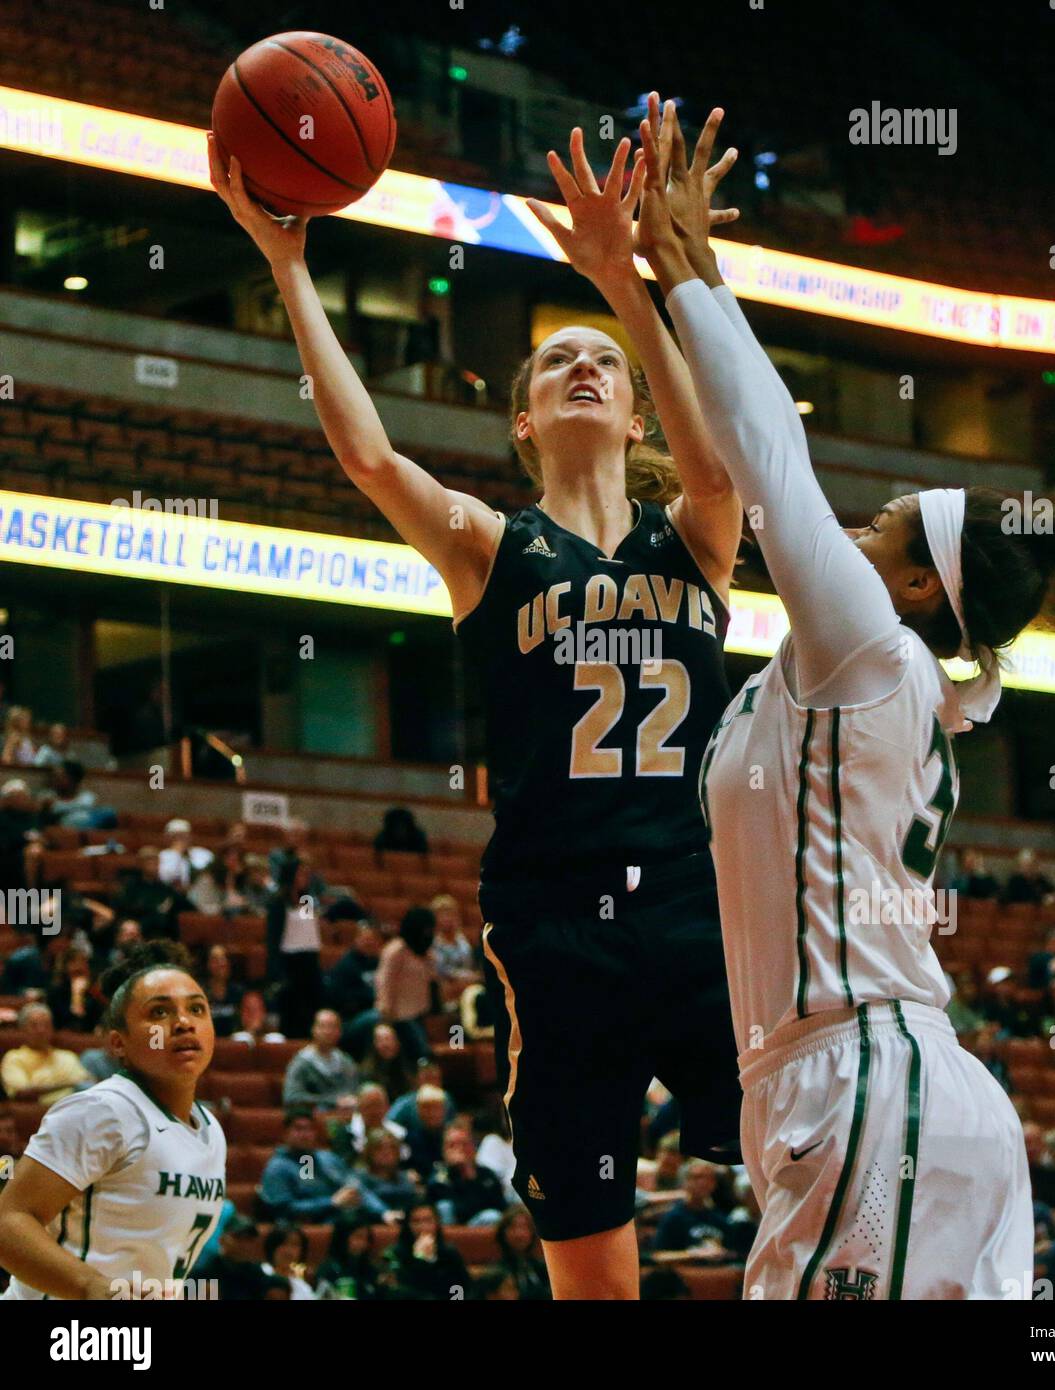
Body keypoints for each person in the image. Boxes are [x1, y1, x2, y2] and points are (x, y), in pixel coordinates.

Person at [207, 108, 745, 1301]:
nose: (586, 365)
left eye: (602, 355)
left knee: (816, 1189)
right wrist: (290, 263)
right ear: (523, 420)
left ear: (638, 407)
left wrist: (627, 284)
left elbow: (718, 469)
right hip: (555, 926)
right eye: (558, 360)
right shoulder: (493, 549)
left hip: (706, 917)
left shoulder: (697, 534)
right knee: (593, 1273)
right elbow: (368, 457)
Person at [635, 94, 1055, 1300]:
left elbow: (768, 456)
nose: (852, 526)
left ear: (920, 590)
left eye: (880, 527)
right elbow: (728, 471)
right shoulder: (825, 681)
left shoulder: (874, 654)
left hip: (865, 1079)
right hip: (862, 1083)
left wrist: (688, 269)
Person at [0, 941, 226, 1299]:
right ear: (119, 1043)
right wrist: (94, 1288)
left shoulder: (212, 1131)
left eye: (197, 1009)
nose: (184, 1023)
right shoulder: (103, 1111)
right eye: (159, 1014)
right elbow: (7, 1223)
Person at [258, 1110, 389, 1226]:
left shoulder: (328, 1158)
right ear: (285, 1133)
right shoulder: (277, 1168)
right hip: (303, 1226)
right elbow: (283, 1209)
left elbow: (356, 1187)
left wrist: (383, 1212)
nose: (305, 1135)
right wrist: (331, 1203)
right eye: (299, 1129)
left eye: (309, 1129)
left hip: (340, 1221)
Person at [267, 853, 324, 1038]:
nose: (305, 877)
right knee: (293, 1013)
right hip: (289, 963)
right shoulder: (278, 902)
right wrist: (277, 971)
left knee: (310, 1012)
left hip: (309, 961)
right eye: (301, 874)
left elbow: (308, 930)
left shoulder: (306, 900)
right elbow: (274, 938)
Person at [375, 907, 435, 1065]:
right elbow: (384, 981)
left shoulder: (426, 953)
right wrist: (385, 1012)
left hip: (420, 1013)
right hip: (398, 1015)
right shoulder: (396, 951)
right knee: (422, 1054)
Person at [0, 1002, 90, 1106]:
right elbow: (23, 1093)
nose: (41, 1030)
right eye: (34, 1026)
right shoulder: (13, 1058)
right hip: (37, 1115)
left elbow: (85, 1085)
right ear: (22, 1030)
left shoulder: (68, 1056)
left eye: (46, 1025)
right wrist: (68, 1084)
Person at [379, 1202, 471, 1301]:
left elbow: (461, 1286)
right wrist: (420, 1258)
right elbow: (402, 1290)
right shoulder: (394, 1253)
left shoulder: (449, 1252)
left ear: (437, 1223)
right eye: (416, 1221)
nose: (423, 1226)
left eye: (428, 1220)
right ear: (407, 1225)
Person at [427, 1125, 509, 1227]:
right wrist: (461, 1174)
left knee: (493, 1216)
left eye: (464, 1144)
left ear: (474, 1147)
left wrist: (470, 1175)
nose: (460, 1149)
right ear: (444, 1151)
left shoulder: (487, 1174)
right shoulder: (440, 1175)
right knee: (444, 1207)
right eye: (452, 1145)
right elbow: (457, 1209)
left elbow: (501, 1207)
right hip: (453, 1228)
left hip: (483, 1226)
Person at [282, 1009, 359, 1111]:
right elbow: (292, 1097)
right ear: (313, 1030)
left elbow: (354, 1091)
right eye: (322, 1027)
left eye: (332, 1027)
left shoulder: (346, 1062)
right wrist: (333, 1102)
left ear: (339, 1032)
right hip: (314, 1117)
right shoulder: (301, 1063)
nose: (327, 1032)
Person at [488, 1206, 551, 1300]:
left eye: (524, 1227)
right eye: (513, 1227)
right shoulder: (496, 1272)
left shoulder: (542, 1268)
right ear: (503, 1232)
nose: (519, 1234)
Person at [315, 1215, 381, 1299]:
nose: (363, 1243)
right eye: (358, 1237)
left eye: (367, 1239)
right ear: (342, 1238)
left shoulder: (368, 1268)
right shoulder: (329, 1269)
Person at [46, 947, 103, 1034]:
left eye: (83, 962)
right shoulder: (56, 992)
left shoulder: (94, 991)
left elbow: (98, 1018)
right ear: (64, 969)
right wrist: (77, 996)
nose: (80, 966)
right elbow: (67, 1024)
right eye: (74, 962)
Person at [359, 1021, 416, 1102]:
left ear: (397, 1043)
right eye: (380, 1040)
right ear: (374, 1044)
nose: (385, 1044)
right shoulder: (366, 1073)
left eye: (389, 1039)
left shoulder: (407, 1070)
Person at [261, 1223, 316, 1300]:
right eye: (283, 1244)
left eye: (295, 1245)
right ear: (272, 1246)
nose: (289, 1251)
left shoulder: (303, 1288)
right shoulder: (257, 1275)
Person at [157, 819, 214, 892]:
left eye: (184, 836)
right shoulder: (162, 856)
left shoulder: (203, 853)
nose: (181, 840)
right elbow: (165, 877)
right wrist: (177, 853)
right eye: (176, 837)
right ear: (168, 839)